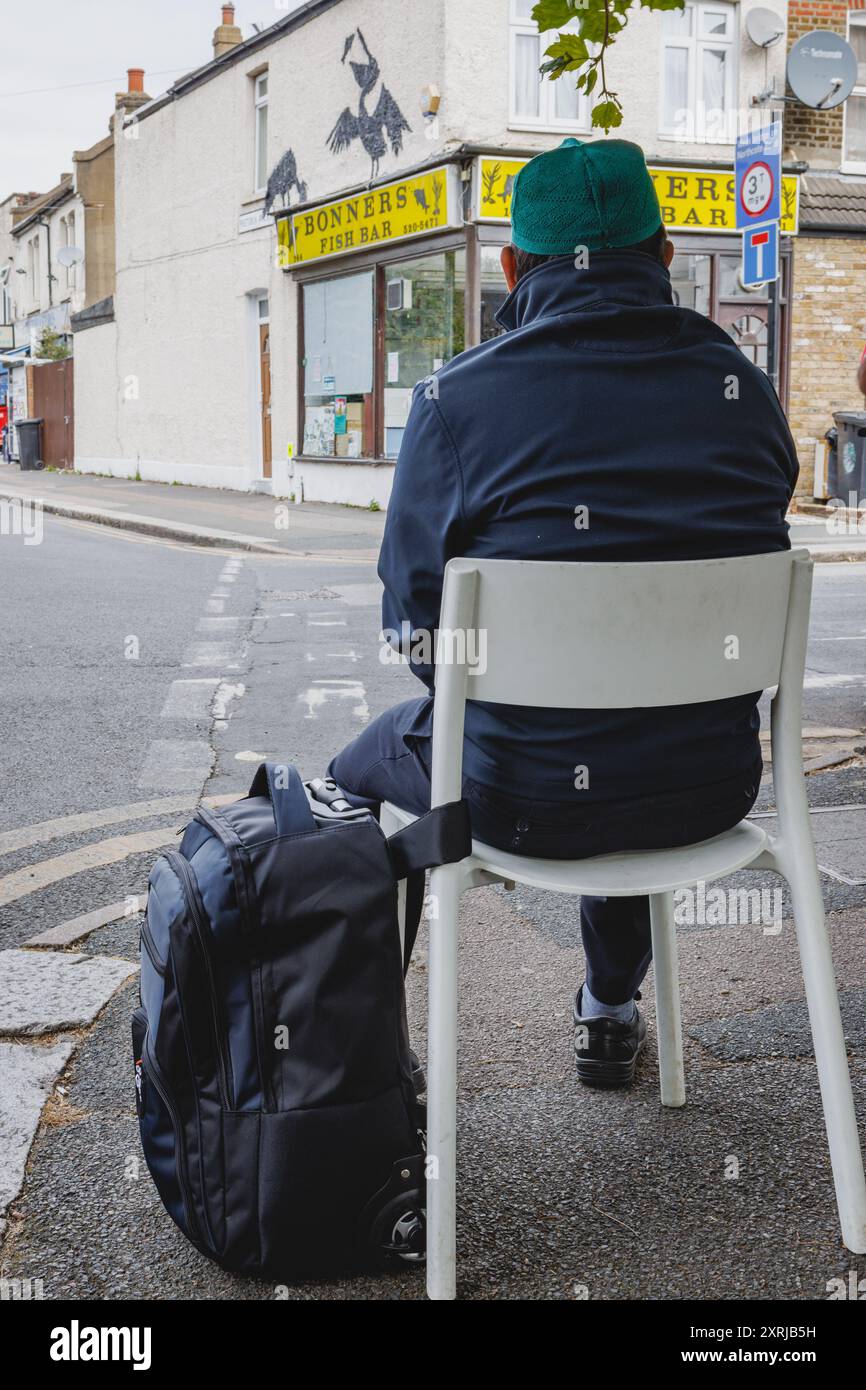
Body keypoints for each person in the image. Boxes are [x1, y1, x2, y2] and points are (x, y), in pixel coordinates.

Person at [329, 137, 799, 1088]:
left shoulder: (455, 404)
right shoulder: (745, 394)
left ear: (511, 267)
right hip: (709, 784)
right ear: (666, 254)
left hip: (523, 798)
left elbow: (414, 629)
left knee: (351, 775)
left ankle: (346, 1069)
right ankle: (611, 1005)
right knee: (627, 738)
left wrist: (516, 690)